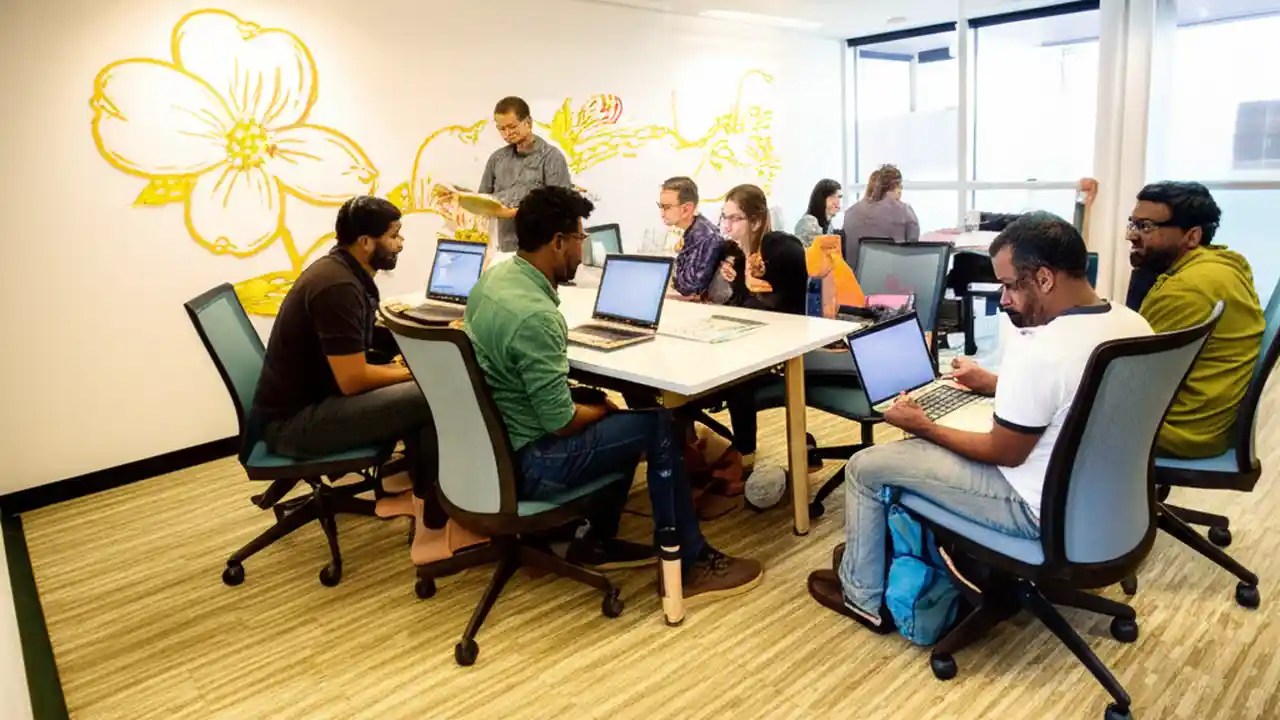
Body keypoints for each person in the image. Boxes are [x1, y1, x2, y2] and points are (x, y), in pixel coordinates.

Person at [807, 212, 1152, 632]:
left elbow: (1003, 451)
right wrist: (994, 384)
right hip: (1105, 502)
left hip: (1035, 510)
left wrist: (924, 426)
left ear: (1044, 279)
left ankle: (862, 598)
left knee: (867, 465)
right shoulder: (1130, 323)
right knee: (931, 443)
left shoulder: (1040, 349)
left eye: (1008, 286)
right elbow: (1073, 392)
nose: (1003, 300)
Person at [463, 185, 763, 598]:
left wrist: (593, 405)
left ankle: (596, 537)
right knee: (655, 424)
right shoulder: (535, 317)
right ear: (557, 242)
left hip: (492, 450)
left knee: (622, 422)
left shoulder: (491, 284)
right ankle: (690, 563)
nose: (582, 248)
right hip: (534, 462)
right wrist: (600, 409)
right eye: (579, 239)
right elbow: (561, 421)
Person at [252, 196, 443, 522]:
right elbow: (353, 380)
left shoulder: (339, 271)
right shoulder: (338, 287)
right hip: (295, 425)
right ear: (367, 242)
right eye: (394, 235)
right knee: (433, 392)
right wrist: (410, 372)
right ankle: (432, 509)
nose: (401, 243)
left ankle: (417, 486)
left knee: (420, 383)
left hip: (304, 403)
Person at [1127, 181, 1264, 458]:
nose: (1131, 236)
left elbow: (1130, 377)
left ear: (1192, 236)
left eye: (1146, 227)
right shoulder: (1223, 263)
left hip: (1179, 430)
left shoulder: (1185, 289)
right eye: (1133, 223)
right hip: (1206, 423)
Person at [476, 96, 573, 252]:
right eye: (501, 129)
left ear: (528, 123)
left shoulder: (551, 158)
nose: (507, 133)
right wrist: (459, 197)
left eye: (512, 127)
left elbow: (561, 210)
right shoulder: (497, 159)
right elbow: (482, 199)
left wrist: (512, 212)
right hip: (504, 251)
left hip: (540, 252)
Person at [841, 164, 920, 272]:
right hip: (891, 283)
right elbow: (913, 254)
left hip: (854, 284)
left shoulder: (849, 213)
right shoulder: (905, 212)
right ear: (897, 187)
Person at [660, 176, 728, 299]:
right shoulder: (693, 230)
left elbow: (690, 290)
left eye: (667, 207)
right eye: (660, 206)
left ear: (686, 209)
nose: (662, 213)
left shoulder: (707, 238)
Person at [794, 179, 843, 247]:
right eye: (832, 197)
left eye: (839, 197)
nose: (837, 202)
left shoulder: (829, 226)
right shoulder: (808, 222)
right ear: (821, 199)